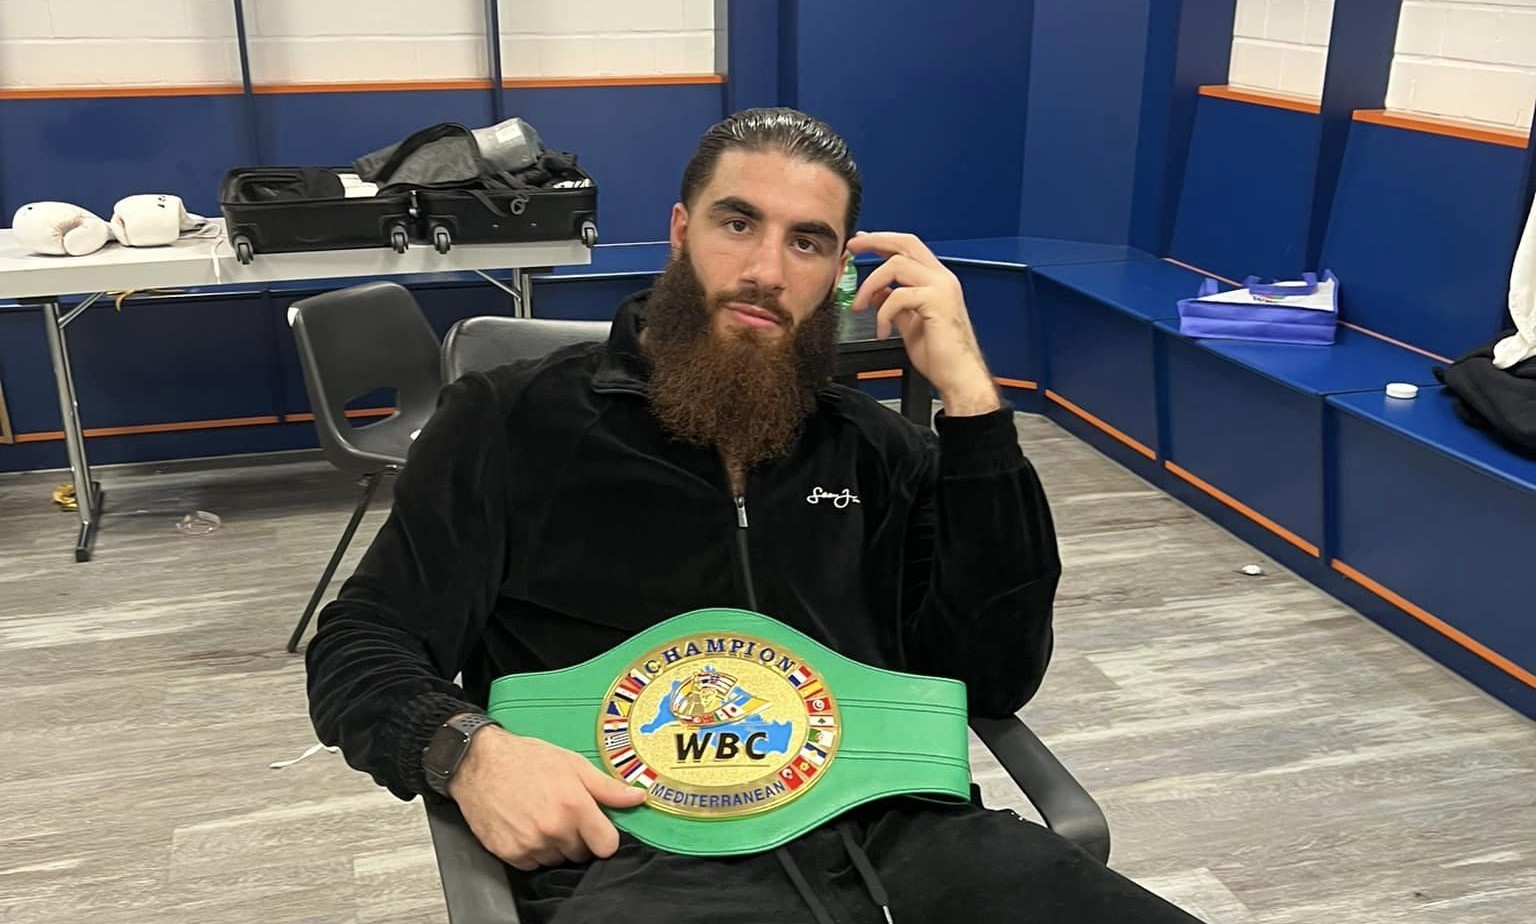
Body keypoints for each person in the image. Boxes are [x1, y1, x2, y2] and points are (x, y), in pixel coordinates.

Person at [306, 107, 1203, 924]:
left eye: (807, 243)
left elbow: (993, 678)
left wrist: (972, 404)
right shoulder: (511, 422)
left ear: (840, 273)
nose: (766, 271)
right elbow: (362, 640)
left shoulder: (880, 451)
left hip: (904, 836)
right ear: (680, 232)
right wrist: (466, 751)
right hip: (637, 863)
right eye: (738, 224)